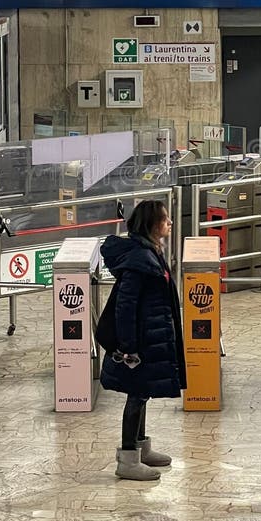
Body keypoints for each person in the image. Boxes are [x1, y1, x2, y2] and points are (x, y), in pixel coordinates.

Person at [99, 200, 186, 481]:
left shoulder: (150, 252)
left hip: (152, 335)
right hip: (139, 342)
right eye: (165, 219)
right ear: (151, 224)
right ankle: (127, 459)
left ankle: (140, 447)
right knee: (136, 394)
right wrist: (128, 348)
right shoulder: (139, 260)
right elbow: (125, 305)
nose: (170, 222)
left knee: (143, 391)